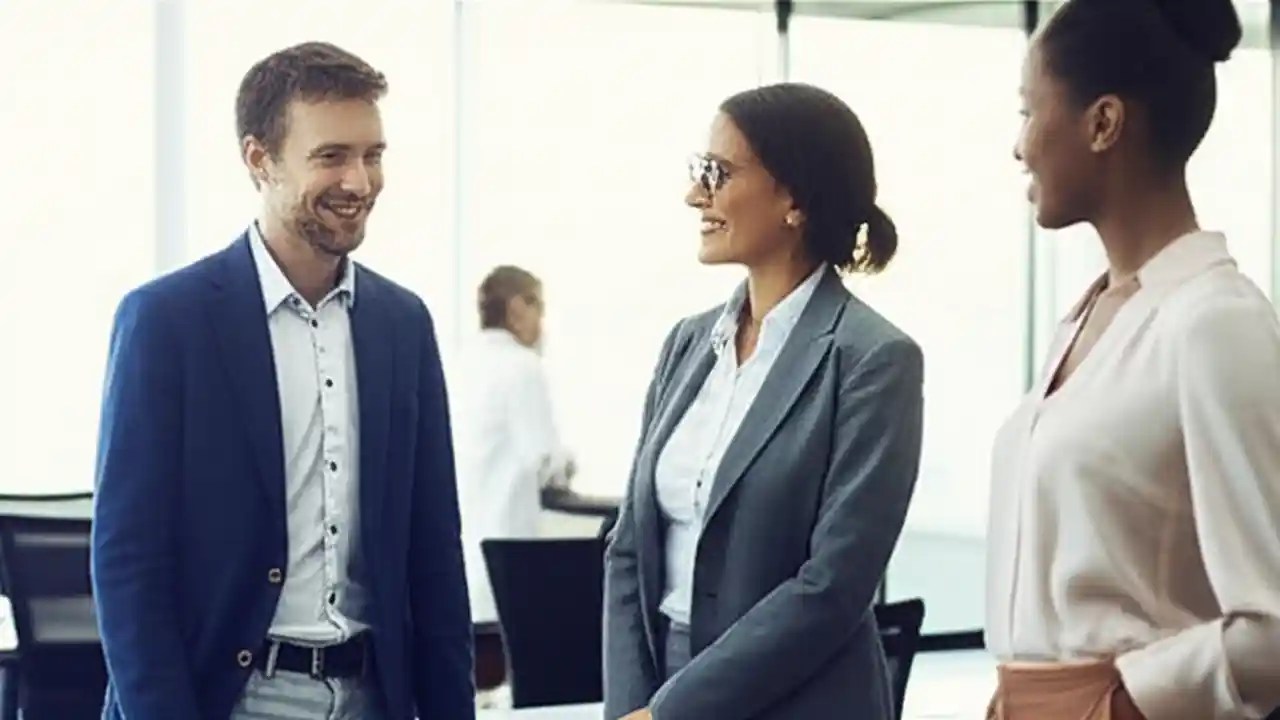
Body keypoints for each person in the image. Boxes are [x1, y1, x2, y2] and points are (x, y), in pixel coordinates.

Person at [91, 41, 474, 720]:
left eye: (373, 154)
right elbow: (128, 564)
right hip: (230, 700)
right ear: (259, 160)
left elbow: (433, 553)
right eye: (331, 157)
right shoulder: (166, 322)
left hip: (373, 697)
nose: (359, 181)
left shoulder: (401, 323)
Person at [985, 0, 1280, 718]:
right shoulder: (1086, 319)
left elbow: (1273, 627)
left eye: (1028, 111)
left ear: (1103, 123)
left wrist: (1117, 701)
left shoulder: (1215, 323)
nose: (1018, 146)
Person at [602, 82, 925, 720]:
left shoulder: (873, 359)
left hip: (801, 701)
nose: (696, 194)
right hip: (658, 690)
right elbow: (629, 548)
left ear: (794, 198)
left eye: (717, 174)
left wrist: (674, 712)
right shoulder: (687, 344)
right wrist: (635, 708)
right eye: (699, 173)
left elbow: (833, 585)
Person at [452, 265, 575, 625]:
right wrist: (567, 463)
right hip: (503, 561)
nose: (542, 323)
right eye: (540, 308)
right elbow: (544, 462)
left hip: (461, 562)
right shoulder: (521, 367)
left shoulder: (463, 363)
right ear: (519, 308)